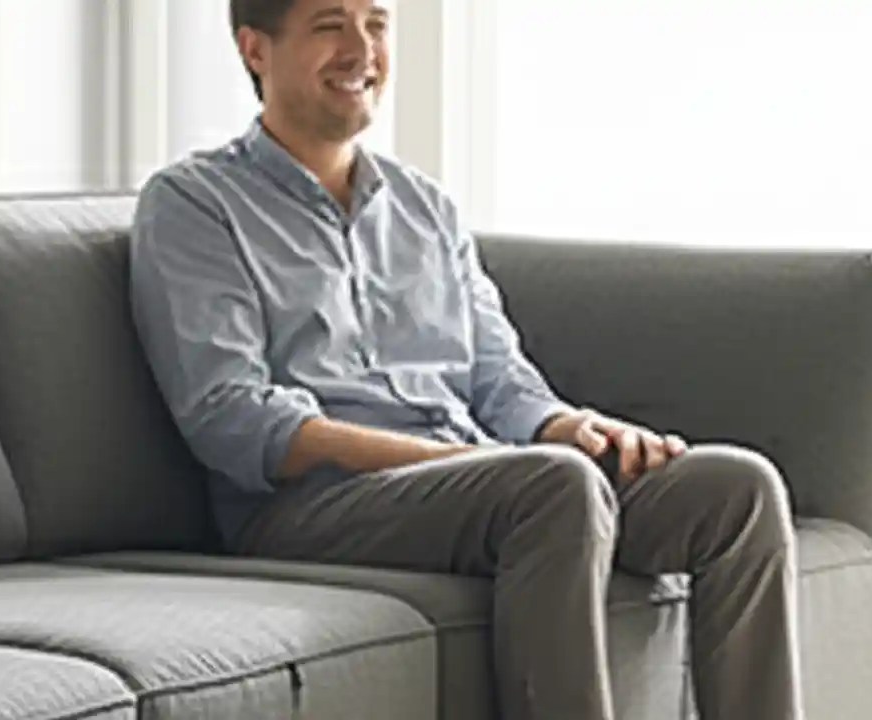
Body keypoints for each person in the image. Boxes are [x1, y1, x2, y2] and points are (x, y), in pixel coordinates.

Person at [129, 1, 803, 717]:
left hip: (482, 480)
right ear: (255, 49)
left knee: (735, 490)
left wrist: (571, 427)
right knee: (553, 486)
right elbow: (229, 417)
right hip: (311, 505)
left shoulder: (426, 208)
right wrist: (447, 460)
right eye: (329, 25)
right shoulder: (195, 203)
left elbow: (499, 380)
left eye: (376, 23)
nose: (361, 50)